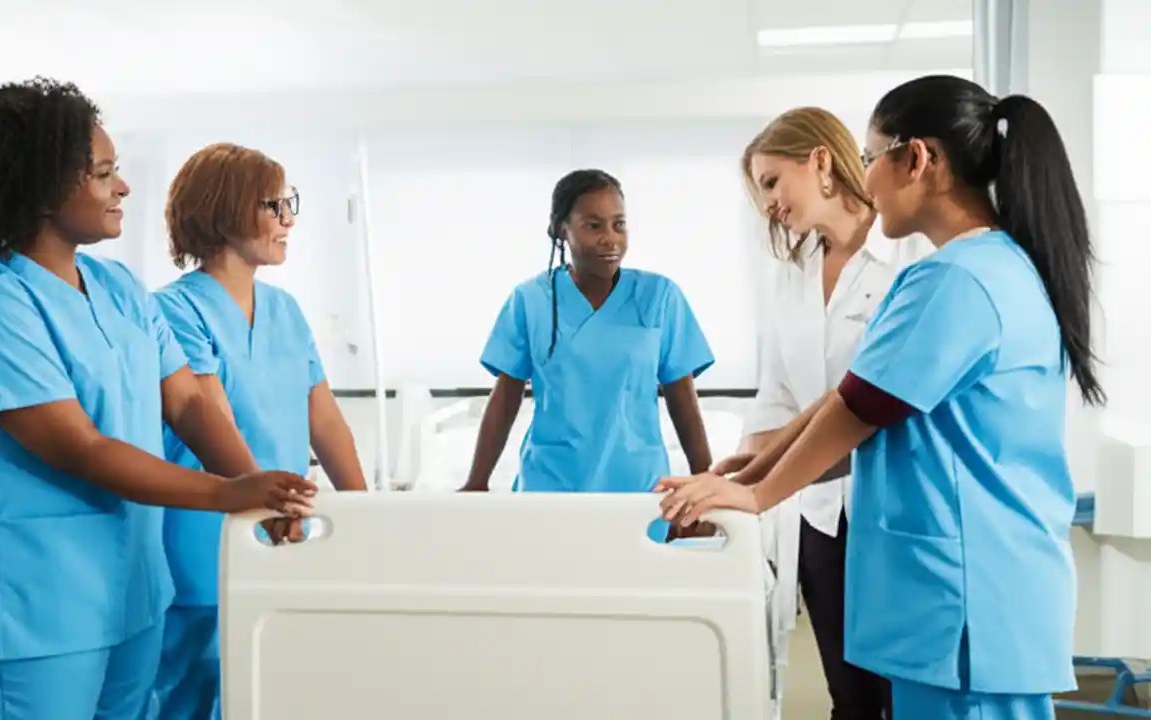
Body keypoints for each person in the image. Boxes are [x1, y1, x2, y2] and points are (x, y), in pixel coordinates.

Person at [659, 74, 1101, 719]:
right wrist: (746, 471)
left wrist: (755, 496)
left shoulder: (953, 279)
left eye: (871, 158)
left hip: (964, 597)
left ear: (917, 158)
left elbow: (857, 411)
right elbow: (851, 395)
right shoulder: (986, 267)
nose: (865, 178)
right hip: (973, 589)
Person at [0, 78, 314, 720]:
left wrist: (257, 486)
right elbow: (75, 444)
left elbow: (186, 403)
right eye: (103, 172)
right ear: (42, 185)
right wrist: (227, 495)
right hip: (37, 601)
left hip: (131, 588)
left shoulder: (120, 288)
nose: (123, 187)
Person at [153, 142, 368, 719]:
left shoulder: (286, 310)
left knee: (263, 693)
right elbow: (209, 414)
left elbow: (323, 419)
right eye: (274, 205)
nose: (288, 219)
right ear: (225, 211)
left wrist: (368, 515)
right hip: (204, 542)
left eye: (287, 204)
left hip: (284, 532)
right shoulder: (176, 311)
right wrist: (267, 503)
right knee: (191, 696)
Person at [738, 107, 932, 719]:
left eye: (771, 182)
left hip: (899, 509)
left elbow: (883, 398)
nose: (766, 202)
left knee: (907, 696)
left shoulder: (911, 252)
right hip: (823, 518)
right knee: (850, 699)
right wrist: (732, 482)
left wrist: (753, 485)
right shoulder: (790, 275)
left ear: (820, 160)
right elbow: (778, 402)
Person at [463, 169, 715, 542]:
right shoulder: (530, 301)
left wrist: (705, 484)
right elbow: (505, 397)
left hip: (638, 487)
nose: (610, 239)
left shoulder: (659, 297)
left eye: (619, 224)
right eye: (593, 225)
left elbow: (681, 396)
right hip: (551, 485)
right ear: (560, 229)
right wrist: (477, 482)